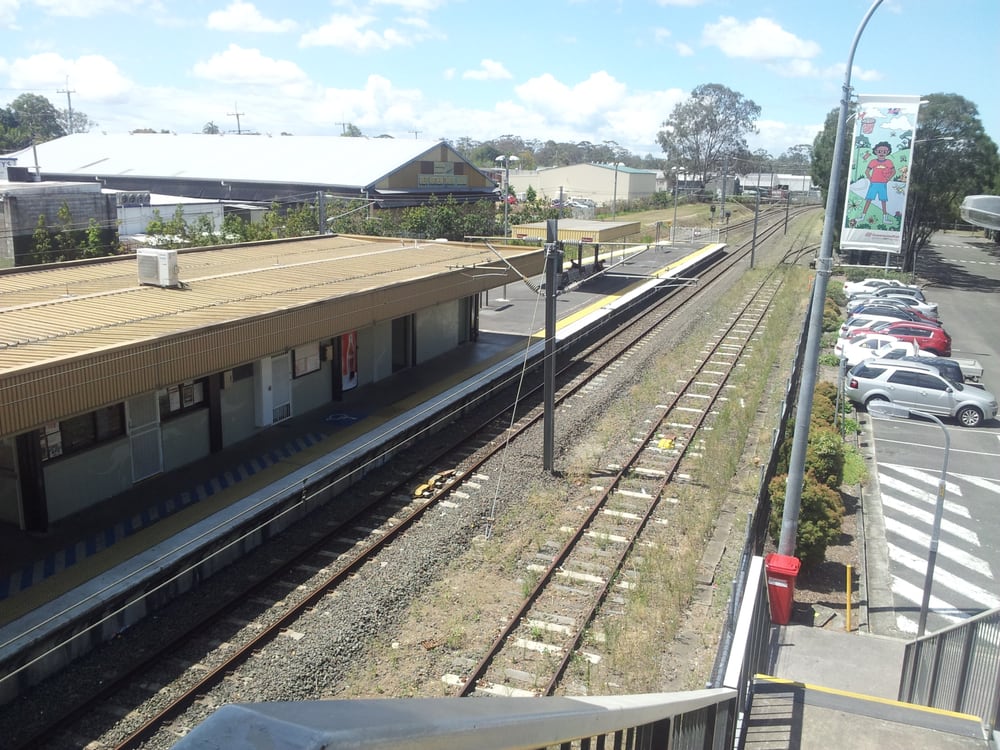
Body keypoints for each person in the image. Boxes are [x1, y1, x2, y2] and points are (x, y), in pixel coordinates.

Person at [862, 141, 896, 218]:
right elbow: (867, 171)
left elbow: (893, 171)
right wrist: (871, 179)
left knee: (883, 200)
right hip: (874, 184)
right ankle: (863, 216)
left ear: (888, 152)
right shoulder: (873, 161)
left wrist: (888, 179)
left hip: (883, 184)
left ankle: (885, 217)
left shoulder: (889, 162)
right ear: (875, 151)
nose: (882, 153)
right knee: (869, 199)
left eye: (884, 151)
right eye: (879, 151)